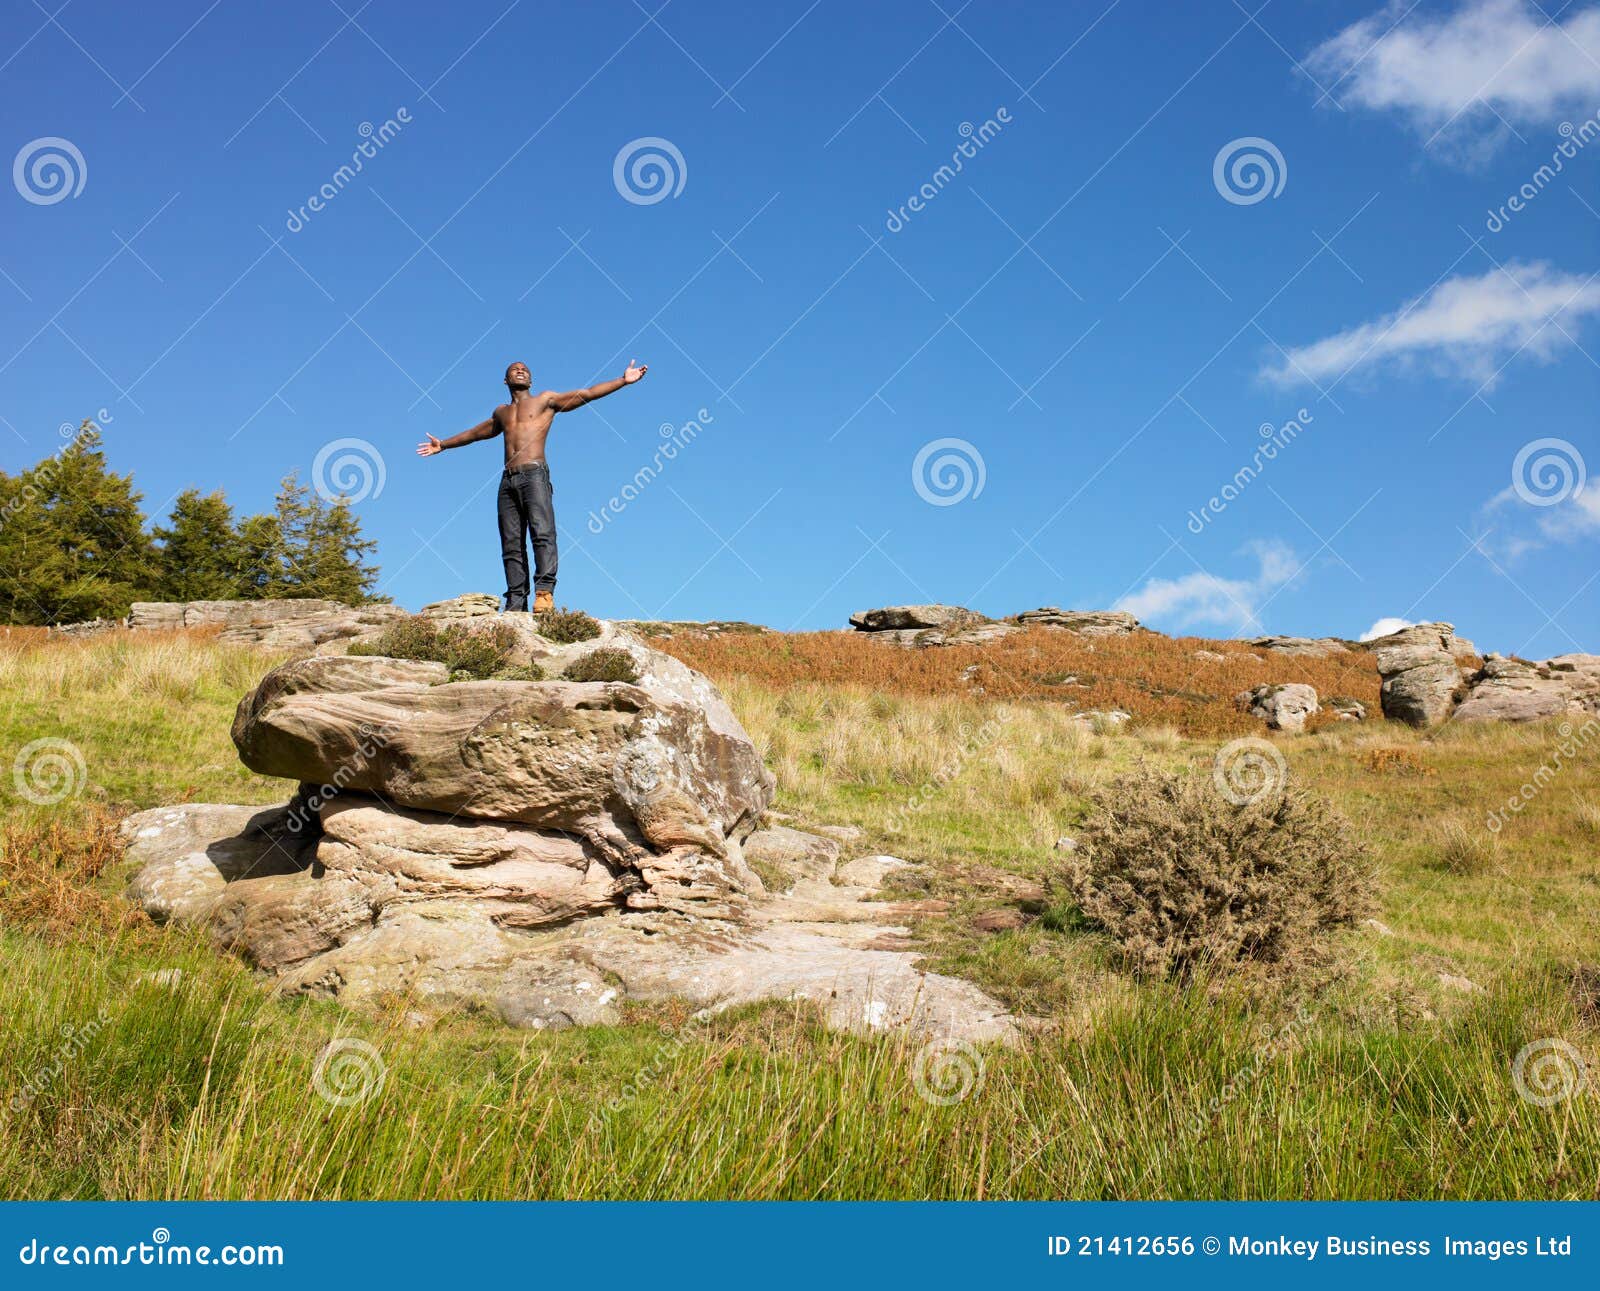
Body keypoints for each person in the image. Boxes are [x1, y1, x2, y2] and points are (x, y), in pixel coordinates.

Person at [417, 358, 648, 611]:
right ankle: (516, 601)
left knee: (542, 534)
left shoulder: (545, 401)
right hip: (507, 480)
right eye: (515, 369)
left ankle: (544, 593)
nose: (521, 370)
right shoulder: (501, 413)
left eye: (525, 370)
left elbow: (587, 394)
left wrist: (622, 381)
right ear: (506, 380)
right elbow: (475, 433)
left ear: (530, 380)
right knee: (511, 542)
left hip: (534, 475)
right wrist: (444, 444)